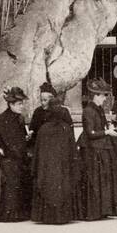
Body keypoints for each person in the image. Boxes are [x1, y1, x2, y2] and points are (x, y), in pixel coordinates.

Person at [30, 91, 80, 225]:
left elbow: (38, 152)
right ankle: (62, 216)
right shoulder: (66, 129)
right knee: (62, 188)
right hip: (62, 169)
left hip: (46, 169)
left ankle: (47, 217)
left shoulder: (43, 129)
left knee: (48, 188)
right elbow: (72, 152)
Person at [0, 86, 31, 222]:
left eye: (22, 103)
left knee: (19, 184)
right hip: (8, 159)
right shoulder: (3, 118)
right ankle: (7, 215)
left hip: (18, 156)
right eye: (19, 104)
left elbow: (20, 135)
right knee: (9, 185)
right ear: (10, 104)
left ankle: (18, 214)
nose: (22, 106)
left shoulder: (19, 118)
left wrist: (26, 138)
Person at [79, 78, 117, 220]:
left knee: (101, 181)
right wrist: (107, 132)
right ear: (95, 96)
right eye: (102, 96)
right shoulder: (88, 111)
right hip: (92, 150)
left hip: (100, 149)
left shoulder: (98, 109)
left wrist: (108, 129)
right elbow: (90, 133)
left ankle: (101, 210)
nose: (104, 99)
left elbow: (101, 128)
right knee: (94, 181)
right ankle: (94, 211)